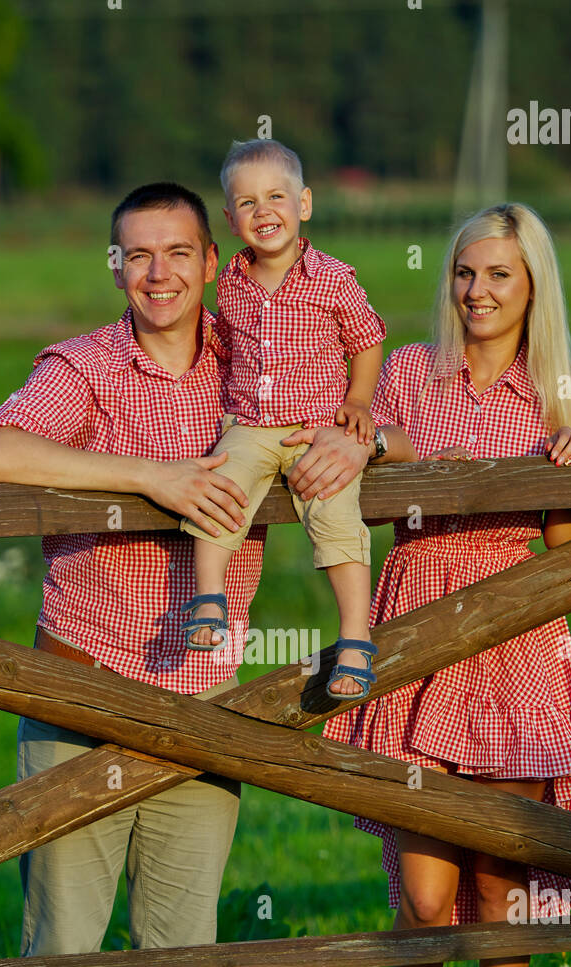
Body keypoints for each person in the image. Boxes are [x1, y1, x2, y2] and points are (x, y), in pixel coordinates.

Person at [0, 182, 372, 967]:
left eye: (177, 253)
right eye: (136, 254)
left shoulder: (254, 364)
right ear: (115, 266)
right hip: (83, 688)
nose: (157, 273)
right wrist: (152, 475)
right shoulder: (85, 366)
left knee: (182, 957)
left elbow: (369, 395)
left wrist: (358, 435)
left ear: (211, 264)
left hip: (205, 703)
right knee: (62, 950)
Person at [324, 202, 571, 967]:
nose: (477, 291)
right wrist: (386, 445)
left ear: (533, 285)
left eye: (497, 274)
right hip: (416, 633)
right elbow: (367, 500)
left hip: (518, 645)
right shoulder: (407, 373)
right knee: (424, 889)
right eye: (464, 273)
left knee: (502, 879)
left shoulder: (561, 395)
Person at [179, 139, 387, 700]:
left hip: (315, 427)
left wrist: (360, 403)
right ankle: (209, 600)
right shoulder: (229, 282)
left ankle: (354, 639)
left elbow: (367, 342)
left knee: (336, 512)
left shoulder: (334, 278)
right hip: (247, 425)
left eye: (276, 196)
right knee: (218, 488)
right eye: (246, 203)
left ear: (305, 203)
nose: (262, 211)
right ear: (229, 218)